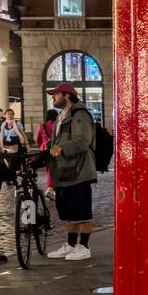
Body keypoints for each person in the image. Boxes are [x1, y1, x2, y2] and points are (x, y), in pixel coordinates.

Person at [46, 82, 97, 262]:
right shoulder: (61, 116)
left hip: (79, 170)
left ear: (66, 95)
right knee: (68, 213)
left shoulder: (79, 113)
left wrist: (61, 148)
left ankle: (84, 247)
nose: (53, 97)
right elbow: (53, 144)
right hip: (64, 171)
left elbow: (83, 140)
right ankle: (70, 244)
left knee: (82, 212)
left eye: (56, 94)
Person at [36, 108, 58, 196]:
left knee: (49, 168)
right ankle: (57, 186)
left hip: (46, 149)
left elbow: (37, 139)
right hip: (57, 148)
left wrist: (41, 146)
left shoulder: (42, 126)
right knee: (57, 166)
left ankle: (50, 188)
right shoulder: (58, 125)